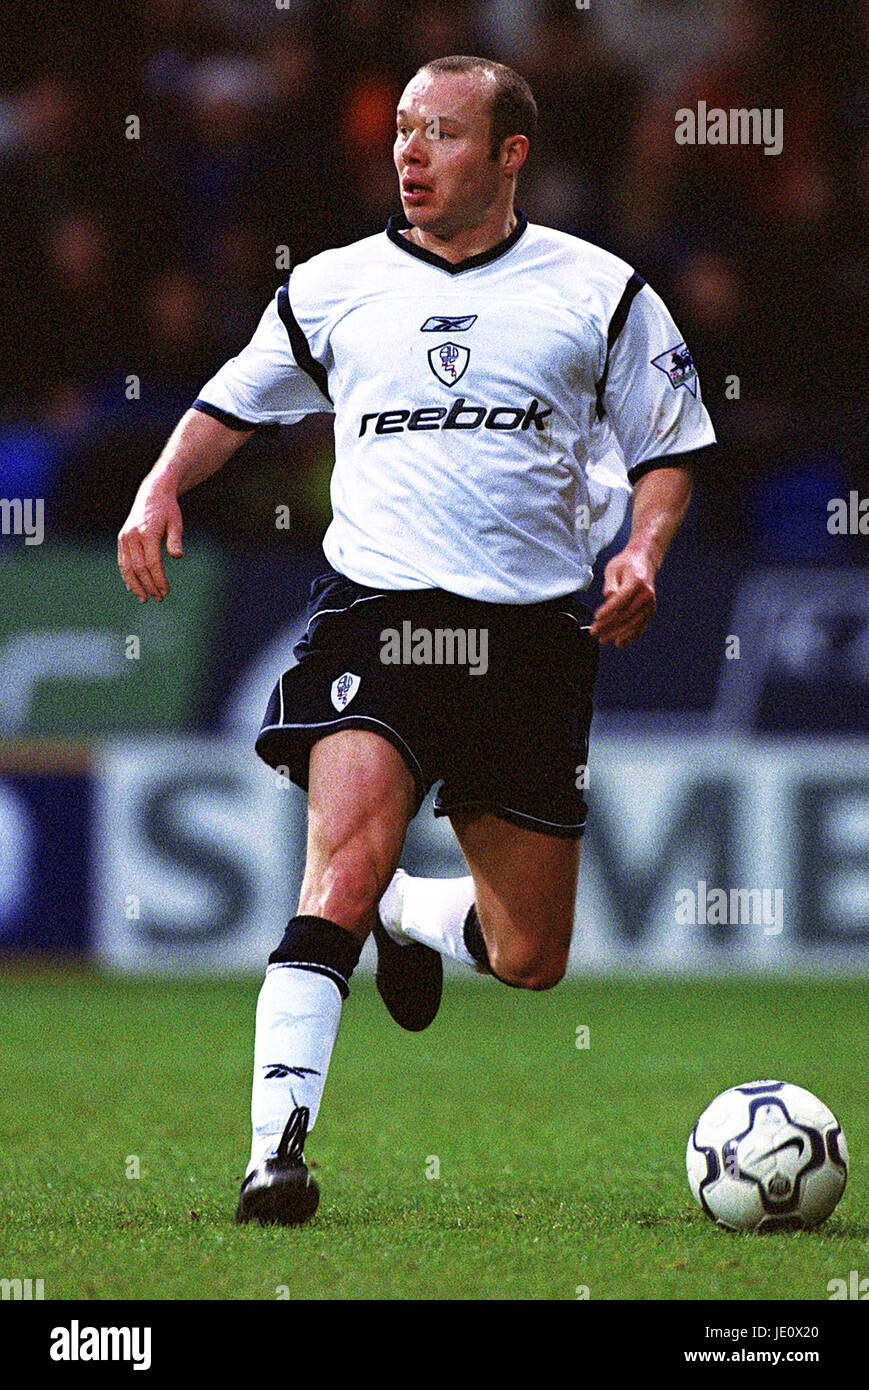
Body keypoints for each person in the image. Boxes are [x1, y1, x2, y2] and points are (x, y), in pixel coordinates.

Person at [117, 55, 715, 1226]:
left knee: (530, 952)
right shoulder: (335, 287)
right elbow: (228, 402)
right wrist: (156, 490)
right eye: (400, 130)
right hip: (376, 615)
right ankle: (273, 1155)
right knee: (338, 861)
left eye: (440, 133)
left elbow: (669, 447)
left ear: (509, 155)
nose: (409, 153)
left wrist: (642, 549)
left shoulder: (598, 290)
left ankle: (410, 912)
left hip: (535, 636)